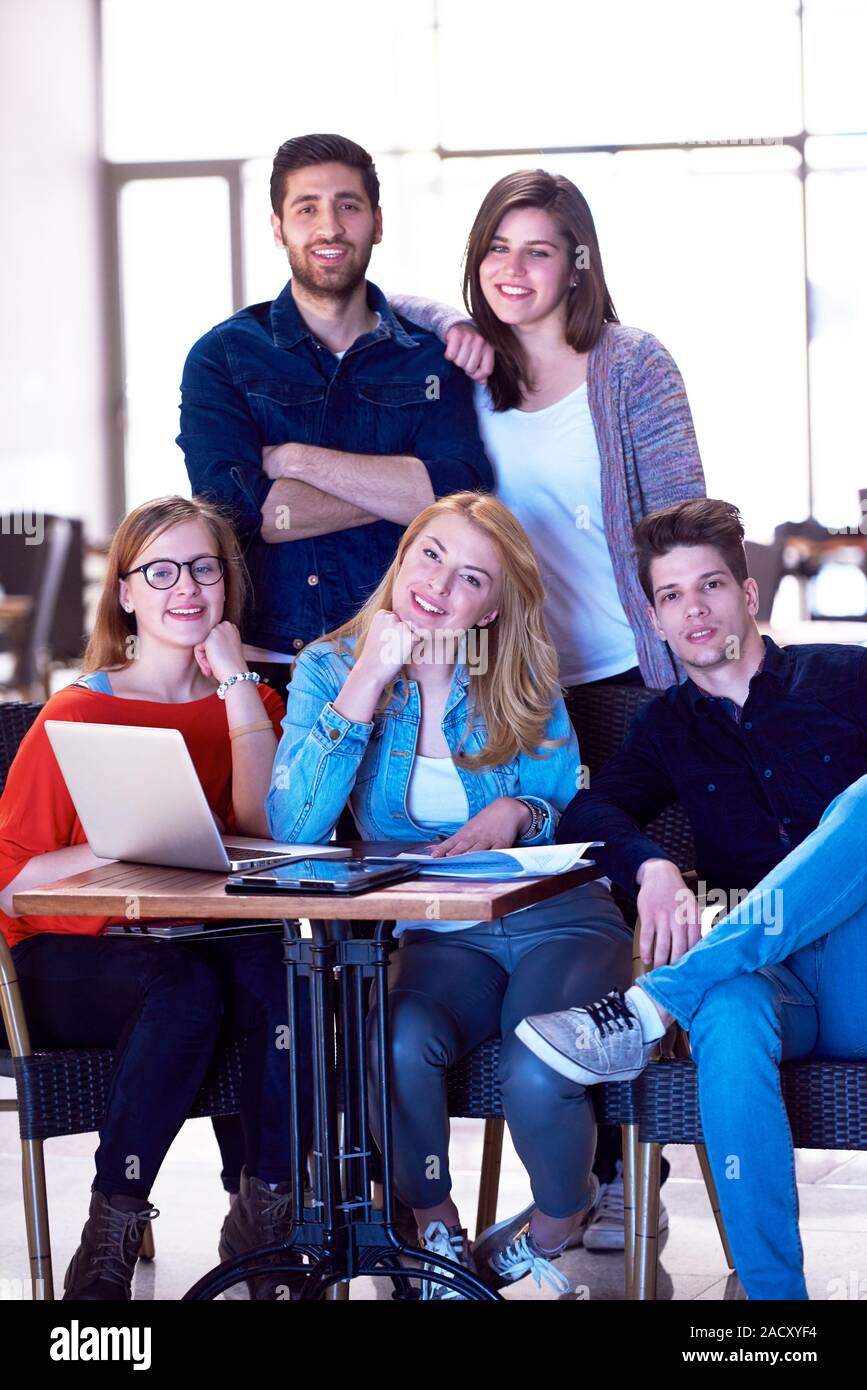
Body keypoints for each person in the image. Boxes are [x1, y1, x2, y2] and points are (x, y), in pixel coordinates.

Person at [394, 166, 706, 1242]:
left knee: (623, 935)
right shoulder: (462, 376)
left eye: (540, 250)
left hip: (629, 682)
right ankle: (561, 1163)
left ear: (578, 260)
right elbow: (376, 300)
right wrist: (447, 316)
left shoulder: (631, 367)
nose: (515, 271)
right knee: (529, 930)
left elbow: (678, 524)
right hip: (512, 694)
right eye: (496, 250)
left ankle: (626, 1177)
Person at [266, 491, 635, 1296]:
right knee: (394, 1038)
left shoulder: (518, 666)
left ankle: (551, 1228)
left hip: (556, 918)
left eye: (471, 576)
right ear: (404, 553)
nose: (438, 583)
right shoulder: (329, 665)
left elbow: (555, 798)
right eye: (430, 554)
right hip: (442, 937)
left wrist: (518, 810)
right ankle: (435, 1241)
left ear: (494, 601)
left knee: (540, 1052)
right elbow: (294, 822)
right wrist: (369, 677)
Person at [513, 497, 867, 1300]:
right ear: (657, 619)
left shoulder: (845, 677)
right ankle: (774, 1314)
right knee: (729, 1007)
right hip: (772, 983)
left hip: (860, 965)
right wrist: (651, 869)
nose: (693, 609)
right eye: (671, 597)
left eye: (708, 586)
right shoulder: (664, 727)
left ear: (747, 595)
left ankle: (647, 1008)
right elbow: (588, 814)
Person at [0, 495, 309, 1301]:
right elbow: (11, 876)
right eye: (161, 571)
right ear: (127, 592)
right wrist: (122, 845)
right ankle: (109, 1233)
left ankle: (266, 1218)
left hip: (199, 942)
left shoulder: (254, 708)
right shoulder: (75, 712)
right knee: (181, 988)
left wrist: (238, 682)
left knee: (283, 973)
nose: (186, 588)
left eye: (204, 568)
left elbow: (261, 828)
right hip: (68, 960)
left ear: (226, 586)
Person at [178, 132, 493, 697]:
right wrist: (400, 491)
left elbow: (458, 497)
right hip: (267, 667)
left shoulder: (430, 359)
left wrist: (297, 461)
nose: (330, 227)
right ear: (278, 228)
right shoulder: (222, 357)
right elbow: (243, 513)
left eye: (348, 206)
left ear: (376, 221)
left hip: (411, 668)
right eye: (307, 208)